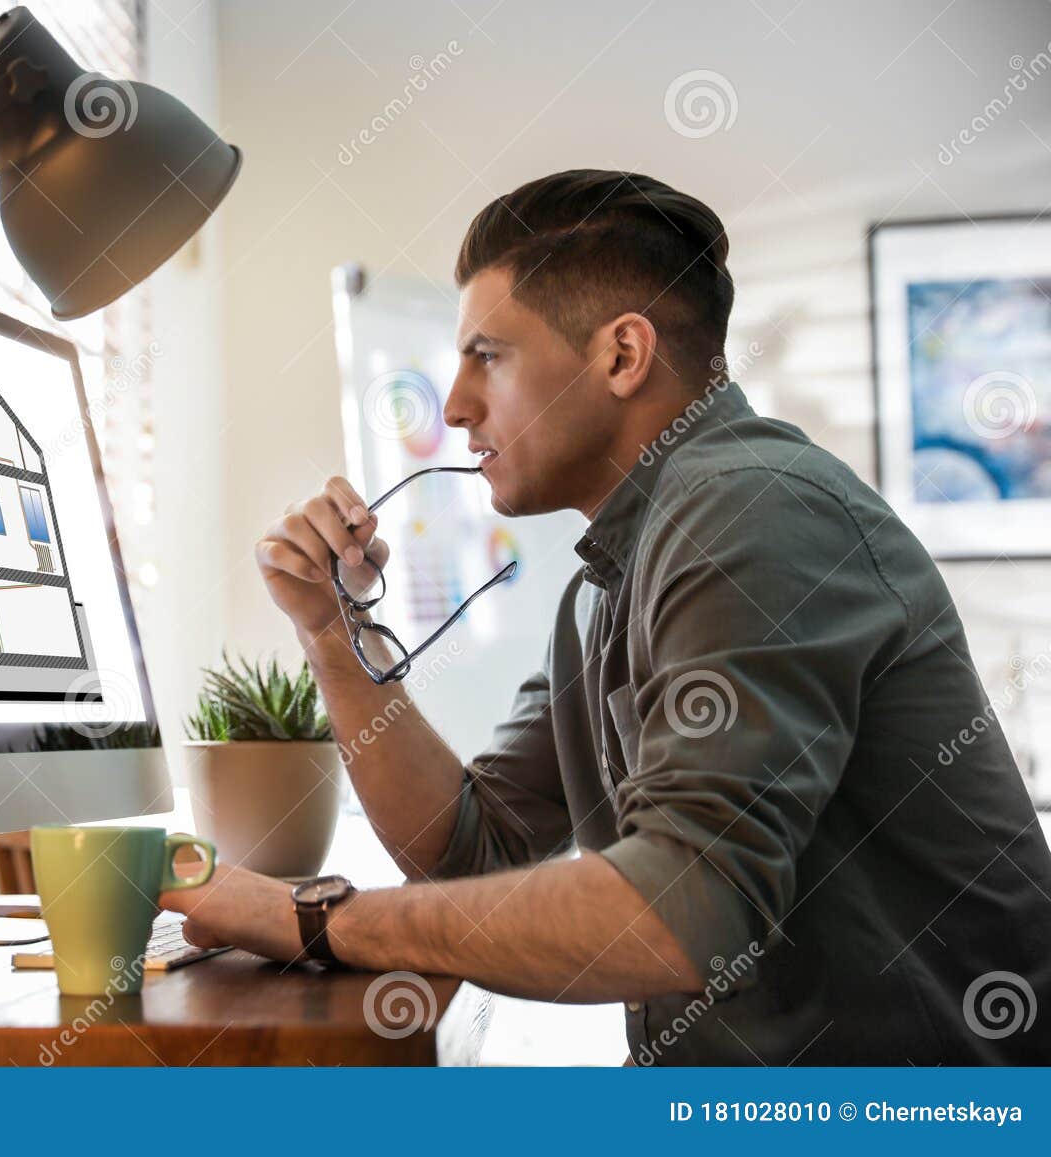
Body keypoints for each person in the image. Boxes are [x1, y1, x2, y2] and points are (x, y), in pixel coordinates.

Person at [160, 169, 1051, 1064]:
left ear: (622, 355)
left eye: (487, 357)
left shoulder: (753, 513)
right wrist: (329, 632)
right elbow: (475, 852)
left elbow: (681, 910)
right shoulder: (608, 582)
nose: (457, 404)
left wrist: (306, 917)